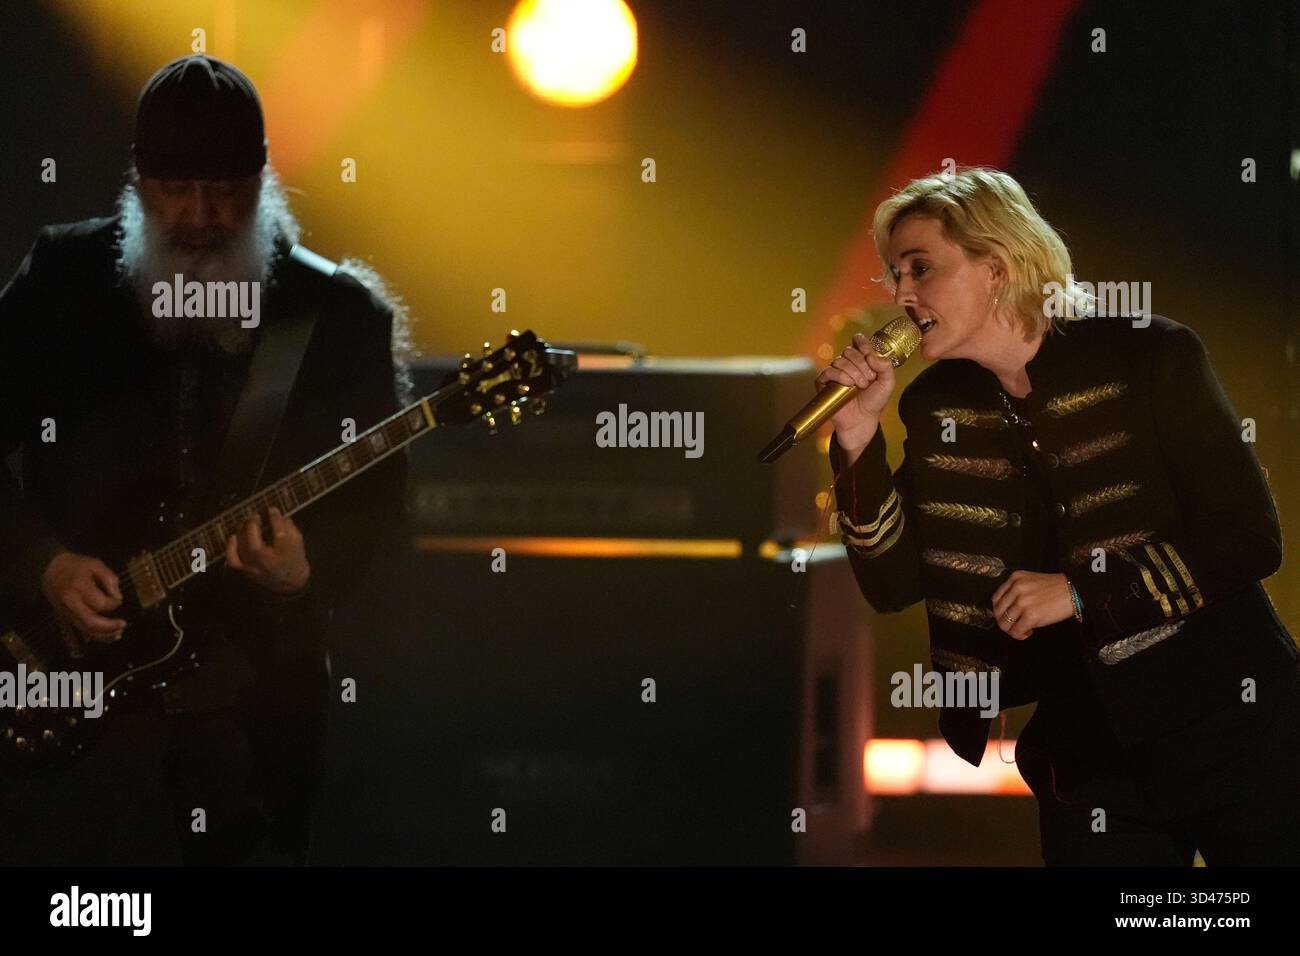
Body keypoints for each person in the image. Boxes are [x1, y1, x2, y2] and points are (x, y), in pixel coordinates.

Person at [818, 166, 1300, 865]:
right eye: (894, 273)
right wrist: (858, 437)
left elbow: (1249, 538)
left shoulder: (1150, 354)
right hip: (1086, 755)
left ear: (996, 266)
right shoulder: (938, 404)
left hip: (1235, 723)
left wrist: (1079, 591)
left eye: (920, 268)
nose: (900, 295)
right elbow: (892, 584)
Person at [0, 54, 410, 864]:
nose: (198, 217)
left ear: (261, 180)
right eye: (174, 192)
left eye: (224, 192)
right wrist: (42, 563)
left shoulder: (333, 314)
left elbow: (386, 521)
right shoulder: (65, 283)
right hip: (62, 706)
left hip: (250, 726)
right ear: (138, 183)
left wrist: (305, 570)